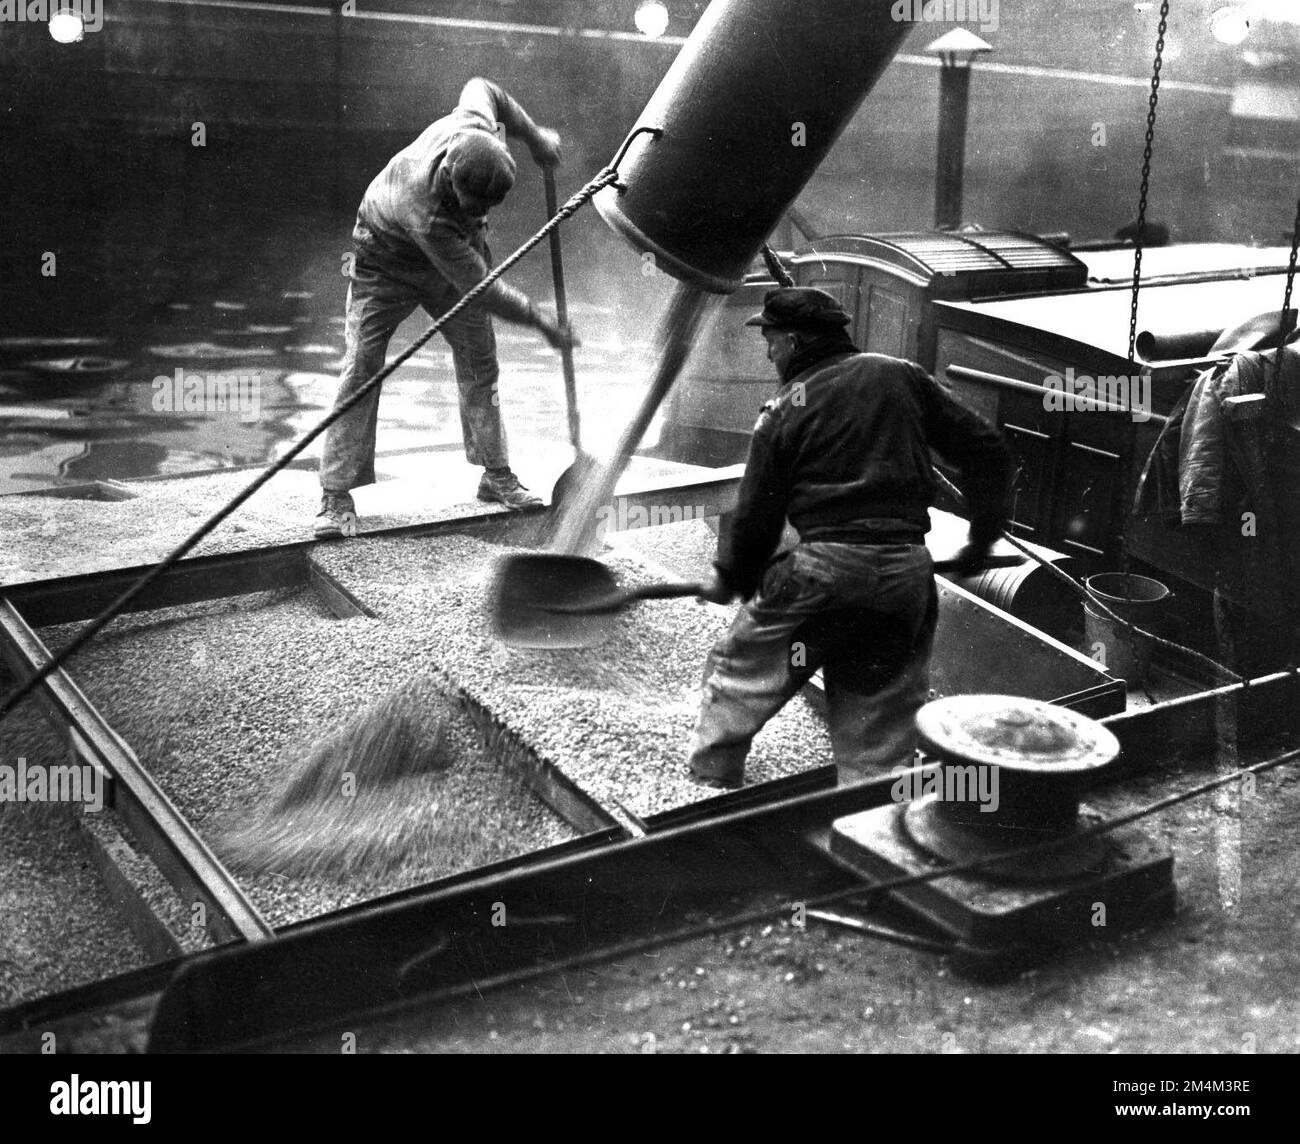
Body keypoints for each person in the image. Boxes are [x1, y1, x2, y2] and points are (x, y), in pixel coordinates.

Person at [687, 286, 1013, 788]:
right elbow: (987, 449)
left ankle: (710, 783)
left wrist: (732, 577)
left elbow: (758, 516)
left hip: (824, 575)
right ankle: (871, 818)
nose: (769, 353)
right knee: (878, 714)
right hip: (905, 574)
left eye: (770, 342)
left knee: (744, 673)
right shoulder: (899, 375)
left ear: (793, 341)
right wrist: (981, 539)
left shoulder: (782, 408)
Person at [315, 77, 578, 538]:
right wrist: (540, 321)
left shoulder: (474, 123)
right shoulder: (427, 210)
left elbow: (485, 87)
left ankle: (495, 475)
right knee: (362, 366)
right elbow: (486, 290)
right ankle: (335, 494)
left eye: (486, 208)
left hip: (453, 261)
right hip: (384, 262)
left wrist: (534, 137)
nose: (478, 215)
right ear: (450, 182)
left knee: (481, 362)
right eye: (469, 206)